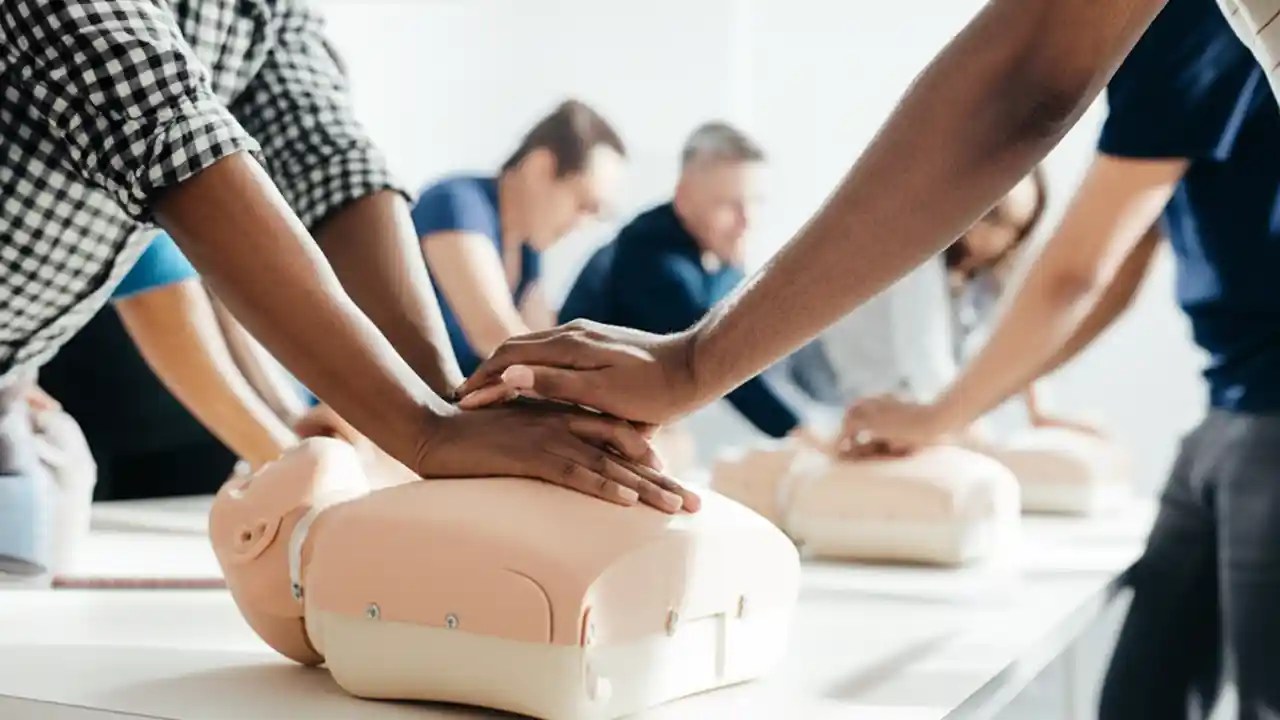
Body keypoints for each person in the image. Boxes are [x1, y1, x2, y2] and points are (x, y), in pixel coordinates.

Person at [0, 0, 690, 513]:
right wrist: (424, 428)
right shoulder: (462, 205)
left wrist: (455, 404)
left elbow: (327, 152)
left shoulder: (263, 14)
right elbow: (162, 127)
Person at [836, 0, 1280, 715]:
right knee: (1143, 693)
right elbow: (1117, 269)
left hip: (1268, 407)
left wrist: (942, 415)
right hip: (1232, 398)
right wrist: (977, 406)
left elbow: (1082, 272)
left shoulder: (1191, 20)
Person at [559, 122, 821, 445]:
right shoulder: (651, 259)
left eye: (755, 202)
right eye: (729, 204)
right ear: (684, 198)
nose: (747, 220)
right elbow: (718, 358)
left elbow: (752, 346)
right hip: (575, 421)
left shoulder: (714, 249)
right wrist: (805, 432)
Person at [412, 100, 627, 375]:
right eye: (583, 205)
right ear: (541, 167)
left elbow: (543, 339)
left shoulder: (527, 250)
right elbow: (497, 336)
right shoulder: (456, 205)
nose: (582, 225)